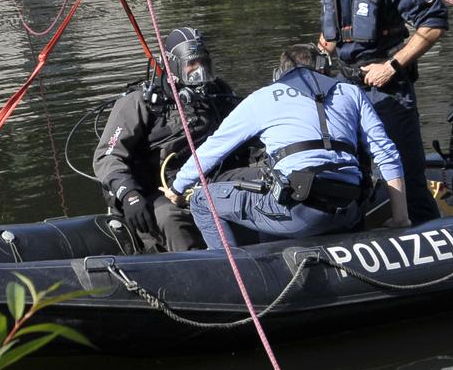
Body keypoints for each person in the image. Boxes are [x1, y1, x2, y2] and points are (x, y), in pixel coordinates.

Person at [162, 44, 410, 249]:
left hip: (300, 212)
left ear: (279, 73)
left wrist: (177, 186)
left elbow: (213, 149)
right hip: (349, 208)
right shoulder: (351, 92)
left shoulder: (262, 97)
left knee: (203, 200)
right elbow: (386, 153)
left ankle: (232, 274)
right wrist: (400, 219)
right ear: (323, 69)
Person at [316, 0, 449, 225]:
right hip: (345, 88)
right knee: (349, 174)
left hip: (387, 90)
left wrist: (392, 66)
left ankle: (428, 239)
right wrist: (328, 41)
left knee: (407, 177)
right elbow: (340, 17)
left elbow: (434, 23)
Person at [93, 27, 240, 252]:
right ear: (171, 65)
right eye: (191, 64)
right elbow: (107, 156)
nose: (198, 72)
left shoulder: (217, 94)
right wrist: (129, 194)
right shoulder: (139, 103)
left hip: (208, 184)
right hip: (158, 191)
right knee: (169, 217)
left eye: (203, 63)